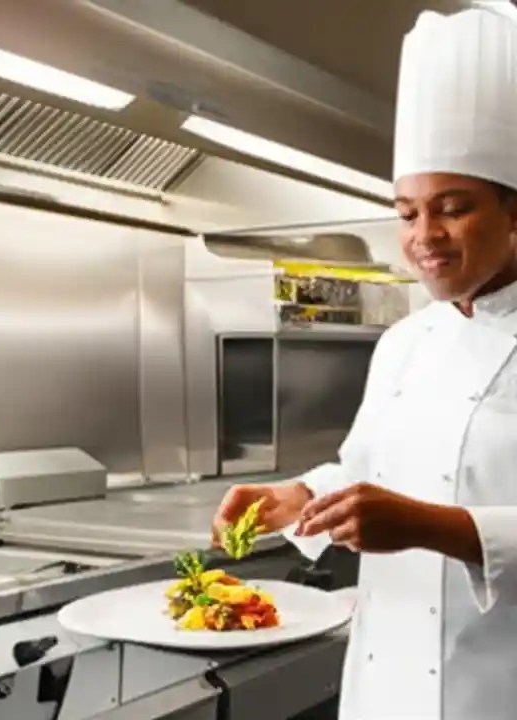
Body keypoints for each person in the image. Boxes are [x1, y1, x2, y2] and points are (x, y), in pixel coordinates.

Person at [211, 7, 517, 720]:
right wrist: (299, 499)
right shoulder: (405, 342)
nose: (424, 236)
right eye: (407, 213)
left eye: (452, 208)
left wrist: (435, 527)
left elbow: (417, 509)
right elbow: (368, 470)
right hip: (383, 691)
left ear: (513, 212)